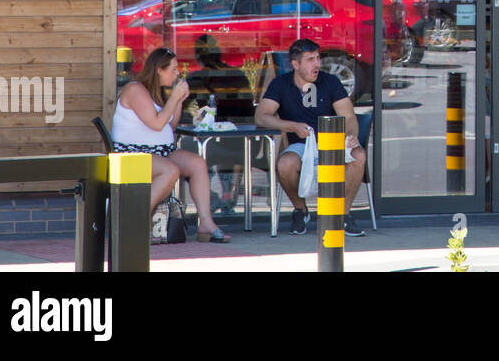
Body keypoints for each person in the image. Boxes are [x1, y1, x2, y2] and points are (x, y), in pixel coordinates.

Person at [110, 47, 230, 243]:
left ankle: (206, 223)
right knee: (170, 171)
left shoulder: (155, 92)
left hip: (160, 151)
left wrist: (179, 101)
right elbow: (157, 124)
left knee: (197, 164)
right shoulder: (135, 89)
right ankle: (133, 222)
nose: (177, 74)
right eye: (173, 69)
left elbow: (170, 126)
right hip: (132, 154)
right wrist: (174, 97)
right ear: (159, 69)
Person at [255, 39, 368, 237]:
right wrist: (291, 126)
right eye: (310, 60)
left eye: (318, 58)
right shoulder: (281, 84)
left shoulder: (330, 81)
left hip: (332, 141)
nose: (316, 64)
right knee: (285, 164)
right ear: (295, 64)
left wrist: (352, 135)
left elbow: (348, 116)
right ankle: (301, 210)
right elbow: (262, 116)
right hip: (300, 143)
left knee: (359, 156)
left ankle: (342, 214)